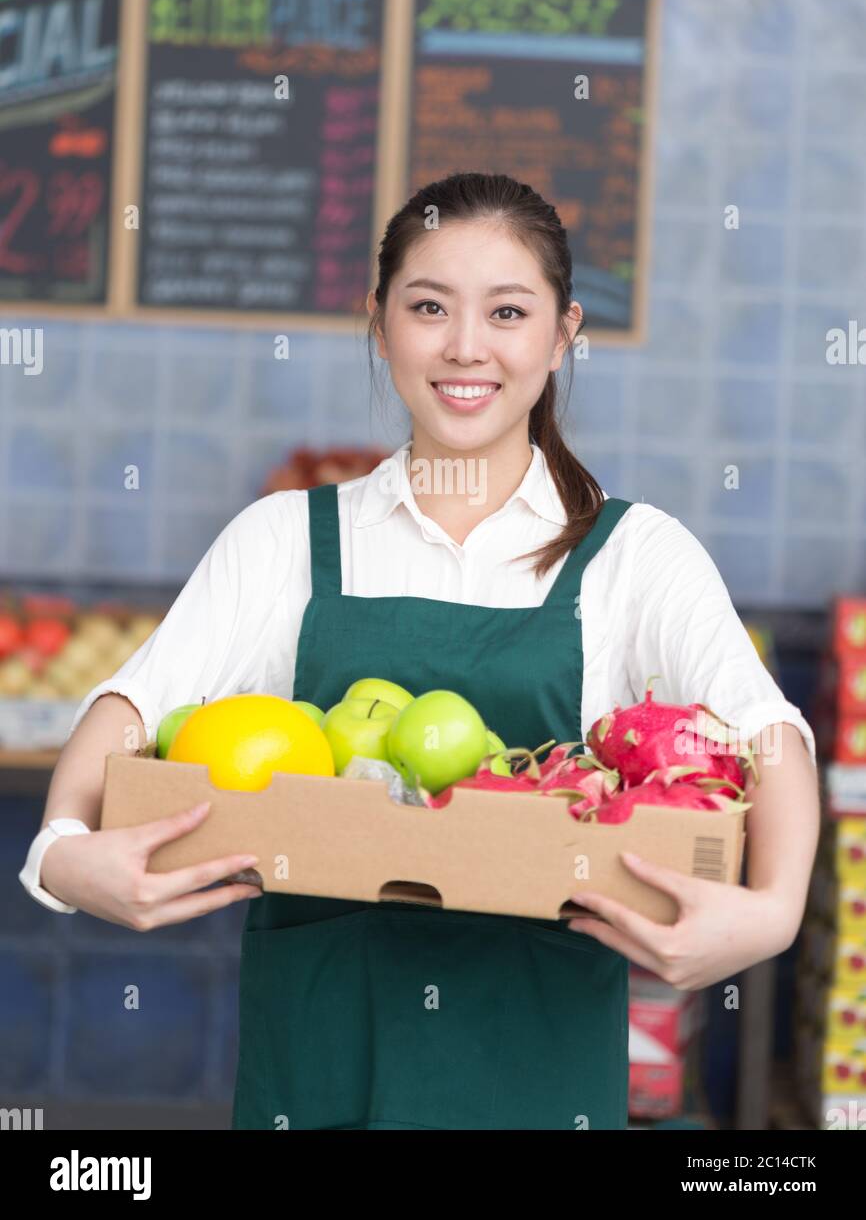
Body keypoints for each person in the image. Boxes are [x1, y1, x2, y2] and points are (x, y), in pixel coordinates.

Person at [20, 172, 820, 1131]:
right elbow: (132, 706)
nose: (465, 347)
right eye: (429, 307)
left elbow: (769, 734)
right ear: (380, 321)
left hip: (536, 1073)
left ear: (563, 334)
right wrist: (62, 854)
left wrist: (771, 914)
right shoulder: (288, 538)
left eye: (508, 312)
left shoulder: (634, 556)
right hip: (319, 1071)